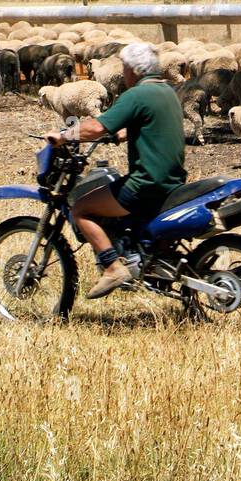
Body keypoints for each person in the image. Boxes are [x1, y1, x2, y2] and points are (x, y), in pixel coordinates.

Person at [43, 42, 187, 299]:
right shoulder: (167, 92)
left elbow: (97, 127)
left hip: (145, 184)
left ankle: (112, 267)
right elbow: (148, 123)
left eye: (124, 67)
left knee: (81, 209)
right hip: (173, 181)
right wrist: (124, 131)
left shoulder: (137, 95)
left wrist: (64, 135)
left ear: (133, 69)